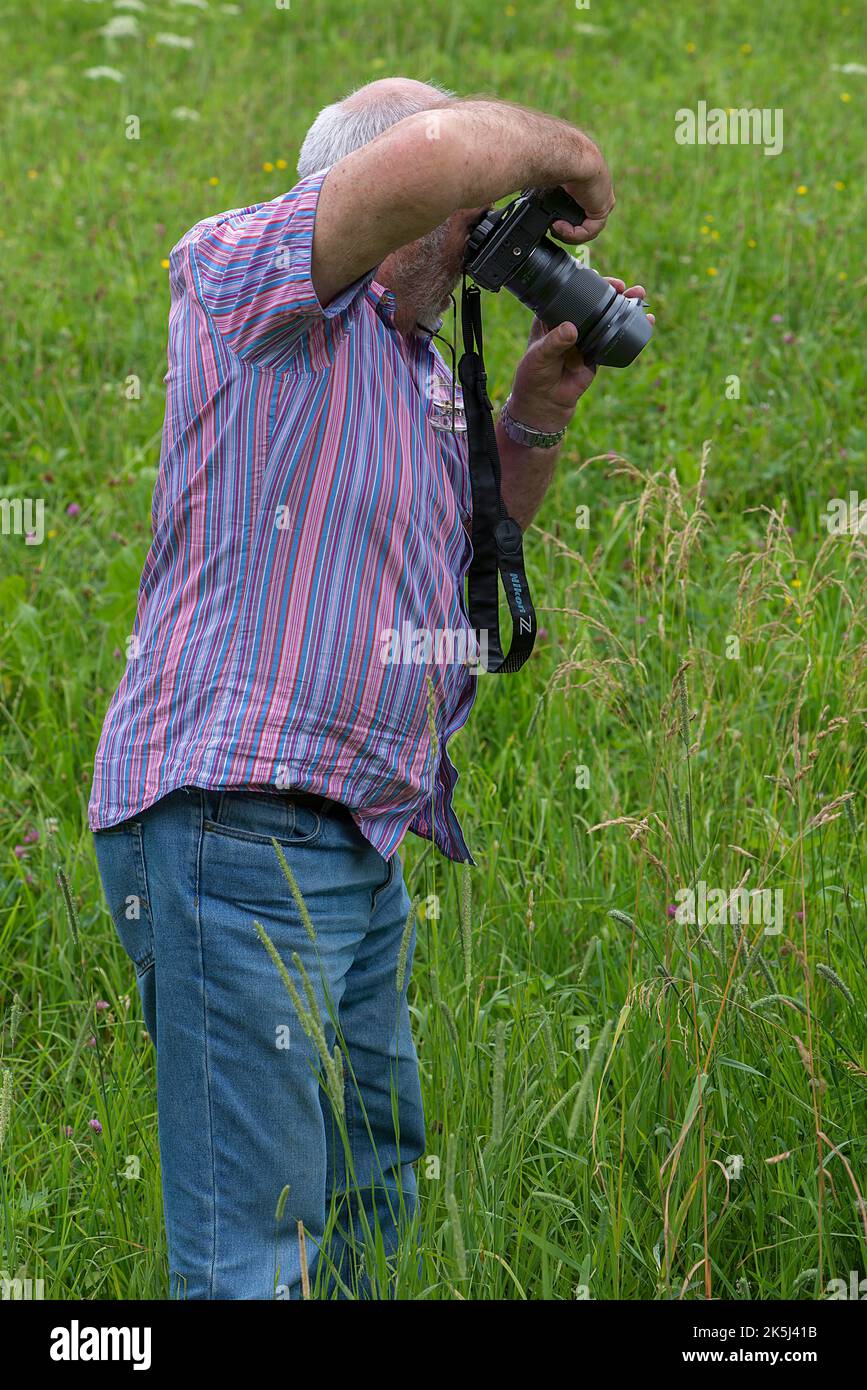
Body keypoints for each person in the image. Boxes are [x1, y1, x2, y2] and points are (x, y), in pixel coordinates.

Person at [90, 77, 646, 1299]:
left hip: (360, 837)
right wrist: (573, 153)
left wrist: (536, 417)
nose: (486, 227)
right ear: (386, 190)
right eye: (472, 207)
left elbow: (464, 569)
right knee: (258, 1250)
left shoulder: (418, 375)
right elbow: (441, 145)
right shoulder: (247, 280)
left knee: (372, 1198)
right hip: (235, 821)